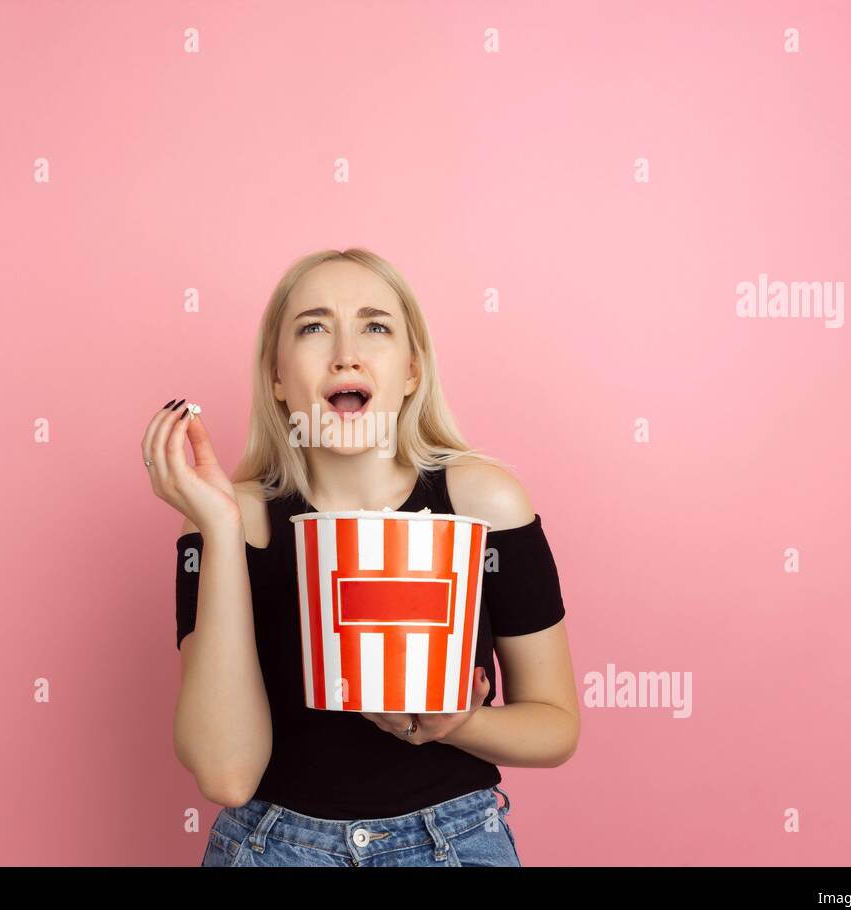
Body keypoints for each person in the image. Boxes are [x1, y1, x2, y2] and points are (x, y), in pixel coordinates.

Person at [142, 248, 579, 866]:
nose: (346, 352)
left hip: (453, 843)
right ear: (276, 374)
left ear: (410, 369)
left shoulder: (484, 503)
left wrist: (458, 722)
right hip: (272, 847)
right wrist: (219, 527)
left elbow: (557, 727)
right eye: (314, 327)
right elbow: (226, 776)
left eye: (376, 326)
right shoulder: (227, 516)